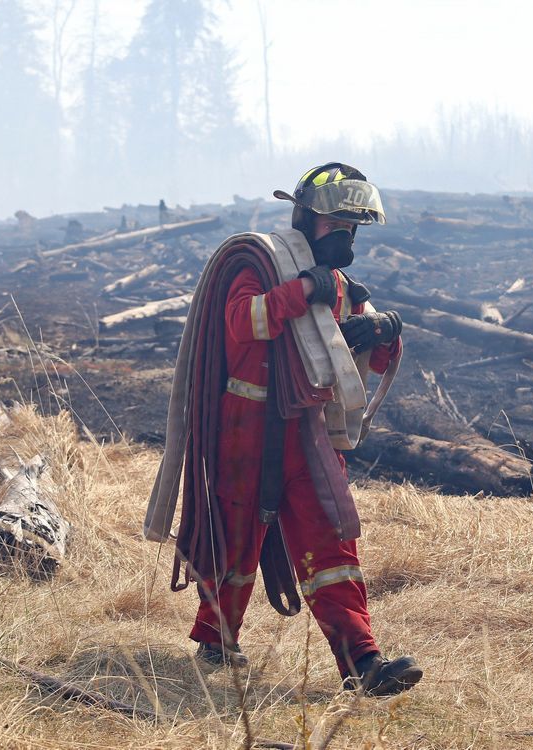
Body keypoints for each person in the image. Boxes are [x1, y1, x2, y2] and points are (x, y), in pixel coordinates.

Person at [146, 163, 421, 696]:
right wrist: (303, 289)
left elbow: (372, 364)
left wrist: (382, 333)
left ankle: (363, 663)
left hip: (308, 433)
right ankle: (215, 637)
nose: (346, 240)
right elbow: (242, 323)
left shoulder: (343, 287)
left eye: (353, 230)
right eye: (337, 228)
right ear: (306, 220)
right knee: (235, 537)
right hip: (245, 428)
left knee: (331, 541)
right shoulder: (261, 265)